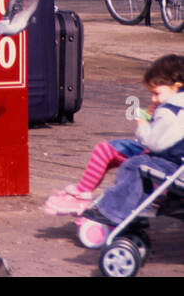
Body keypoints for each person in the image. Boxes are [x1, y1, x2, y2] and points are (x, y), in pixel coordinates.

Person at [75, 55, 184, 229]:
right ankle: (133, 206)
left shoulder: (171, 112)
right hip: (178, 164)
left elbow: (153, 142)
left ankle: (112, 211)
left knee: (134, 166)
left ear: (176, 87)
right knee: (139, 164)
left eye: (156, 93)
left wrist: (142, 125)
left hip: (173, 165)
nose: (153, 99)